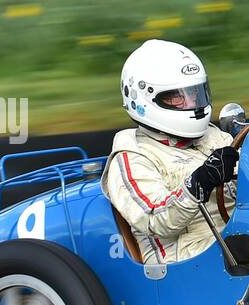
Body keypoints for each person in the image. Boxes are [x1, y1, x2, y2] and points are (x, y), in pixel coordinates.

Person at [102, 40, 239, 264]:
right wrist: (201, 181)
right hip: (185, 258)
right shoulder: (132, 155)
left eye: (195, 93)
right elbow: (155, 218)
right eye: (177, 96)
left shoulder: (214, 137)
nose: (192, 102)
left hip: (232, 237)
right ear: (143, 99)